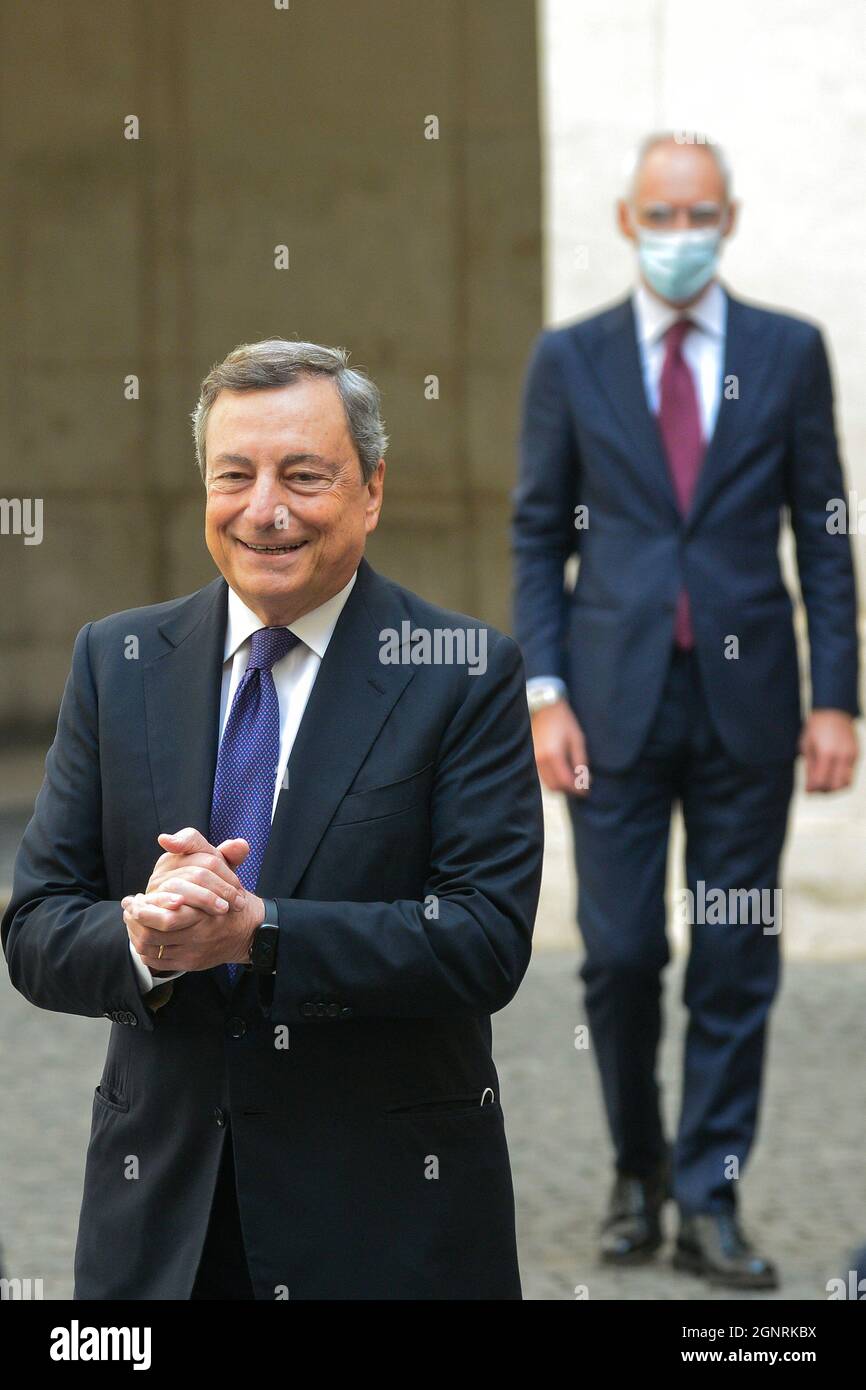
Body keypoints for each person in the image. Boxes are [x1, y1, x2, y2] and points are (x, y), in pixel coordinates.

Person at [2, 339, 544, 1300]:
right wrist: (145, 941)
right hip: (161, 1224)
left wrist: (259, 932)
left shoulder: (461, 671)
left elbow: (483, 941)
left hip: (384, 1226)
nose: (266, 509)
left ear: (372, 491)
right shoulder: (114, 660)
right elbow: (37, 925)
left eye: (304, 475)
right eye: (235, 476)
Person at [512, 133, 859, 1289]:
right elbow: (533, 533)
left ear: (729, 217)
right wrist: (544, 693)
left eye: (696, 214)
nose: (678, 234)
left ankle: (709, 1199)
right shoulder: (568, 360)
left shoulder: (786, 351)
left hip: (747, 711)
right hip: (607, 709)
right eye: (658, 216)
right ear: (624, 221)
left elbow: (822, 531)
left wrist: (834, 699)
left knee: (732, 953)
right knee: (616, 955)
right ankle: (631, 1174)